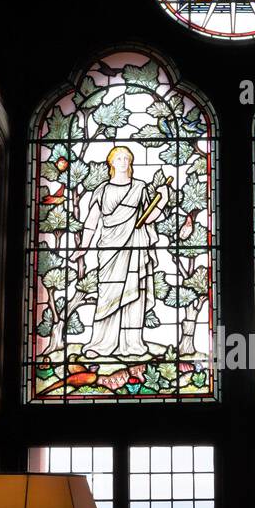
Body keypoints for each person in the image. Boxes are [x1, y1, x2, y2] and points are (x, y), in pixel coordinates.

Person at [78, 145, 168, 361]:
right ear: (111, 163)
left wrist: (163, 199)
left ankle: (132, 344)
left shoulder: (140, 187)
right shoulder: (102, 190)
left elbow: (148, 217)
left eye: (127, 158)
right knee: (107, 295)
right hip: (109, 250)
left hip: (135, 248)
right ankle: (101, 344)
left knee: (134, 294)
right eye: (118, 158)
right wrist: (83, 246)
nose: (123, 162)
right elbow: (91, 221)